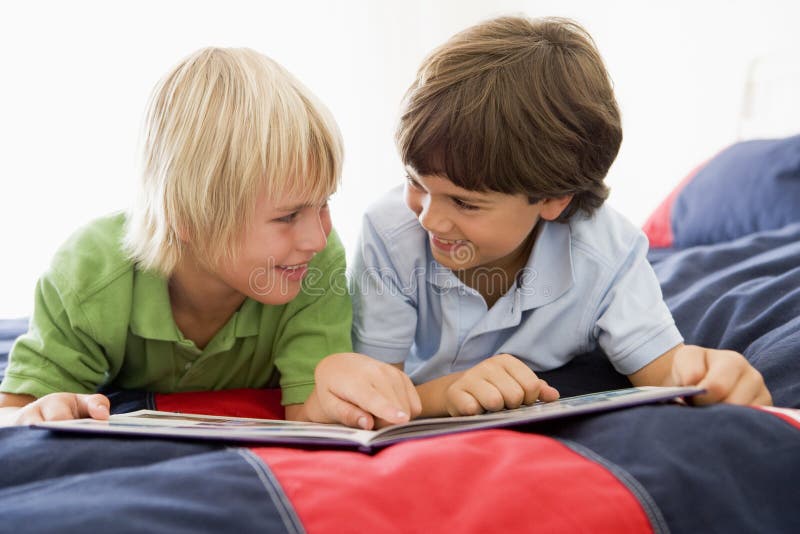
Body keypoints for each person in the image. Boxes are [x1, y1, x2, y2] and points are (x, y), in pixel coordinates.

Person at [350, 16, 772, 418]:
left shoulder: (606, 254)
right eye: (417, 182)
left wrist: (708, 374)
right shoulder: (390, 233)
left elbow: (664, 373)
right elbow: (377, 393)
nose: (429, 218)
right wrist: (448, 391)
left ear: (553, 199)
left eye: (464, 203)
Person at [0, 47, 420, 429]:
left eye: (324, 203)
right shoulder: (89, 272)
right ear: (188, 219)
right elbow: (15, 408)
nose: (315, 237)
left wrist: (335, 390)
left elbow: (306, 411)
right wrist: (37, 409)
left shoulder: (315, 265)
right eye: (288, 216)